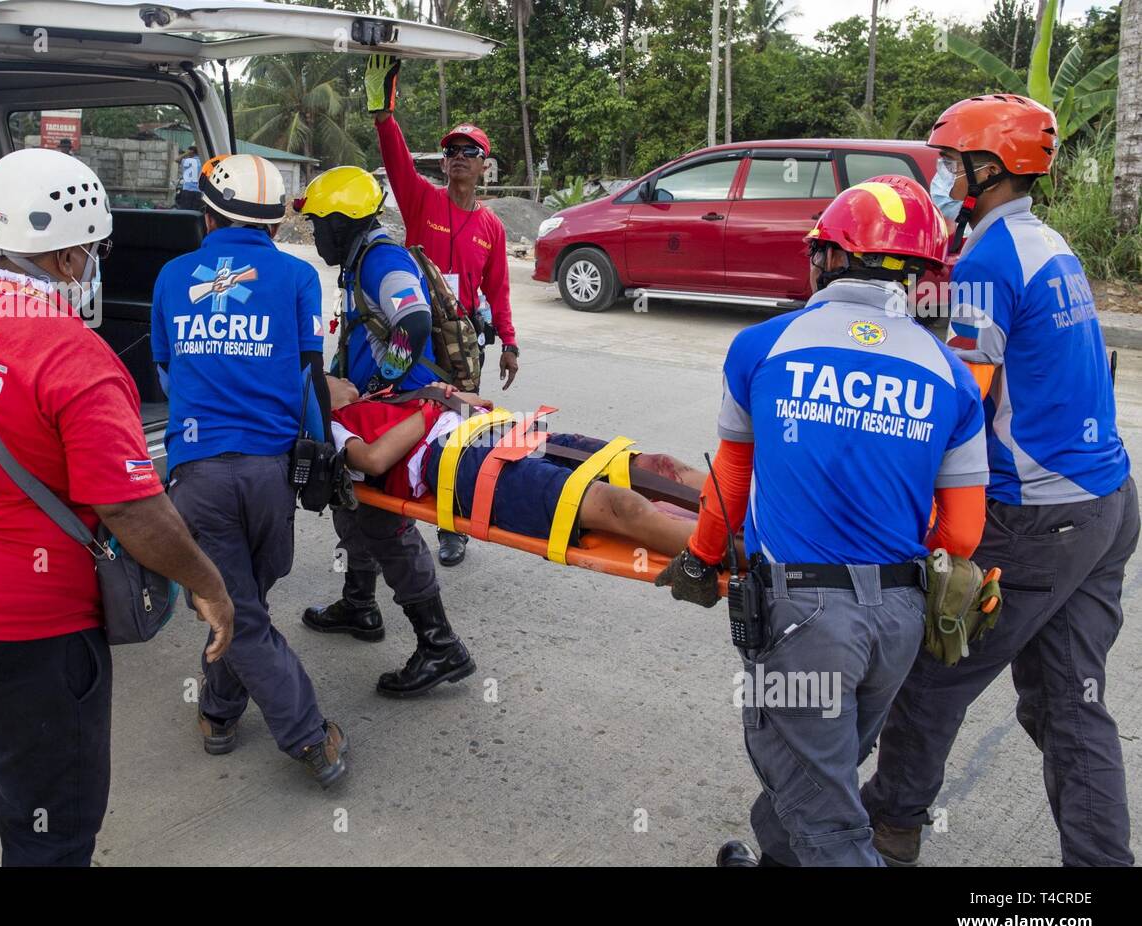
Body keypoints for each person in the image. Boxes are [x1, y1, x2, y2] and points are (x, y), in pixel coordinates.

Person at [0, 147, 234, 866]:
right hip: (17, 638)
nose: (93, 266)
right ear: (65, 260)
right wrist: (209, 585)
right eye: (91, 252)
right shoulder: (75, 356)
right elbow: (130, 509)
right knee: (50, 831)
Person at [658, 175, 990, 867]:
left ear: (831, 259)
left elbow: (732, 483)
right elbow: (961, 535)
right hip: (898, 622)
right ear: (923, 275)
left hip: (804, 622)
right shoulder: (952, 375)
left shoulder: (762, 348)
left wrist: (700, 558)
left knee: (827, 815)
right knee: (818, 765)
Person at [863, 95, 1138, 868]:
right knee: (1069, 703)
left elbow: (968, 390)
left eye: (952, 163)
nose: (943, 176)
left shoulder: (986, 259)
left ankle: (887, 831)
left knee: (935, 675)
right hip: (1107, 505)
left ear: (988, 169)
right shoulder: (1049, 243)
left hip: (1038, 517)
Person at [151, 153, 348, 787]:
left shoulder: (171, 275)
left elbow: (165, 369)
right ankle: (306, 734)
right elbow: (308, 380)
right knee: (240, 603)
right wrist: (326, 459)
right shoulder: (297, 279)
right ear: (272, 221)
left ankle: (221, 712)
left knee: (236, 604)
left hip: (198, 473)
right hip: (272, 476)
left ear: (208, 214)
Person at [317, 376, 703, 694]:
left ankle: (752, 506)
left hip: (504, 433)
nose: (341, 375)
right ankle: (728, 547)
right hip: (464, 461)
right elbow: (373, 459)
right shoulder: (336, 423)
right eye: (331, 376)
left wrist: (441, 398)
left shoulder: (388, 395)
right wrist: (435, 404)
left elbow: (477, 401)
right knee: (619, 506)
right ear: (320, 394)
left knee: (659, 468)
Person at [297, 166, 476, 697]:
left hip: (399, 413)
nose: (313, 234)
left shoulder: (381, 259)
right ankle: (359, 604)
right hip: (381, 408)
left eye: (317, 224)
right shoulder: (361, 261)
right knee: (353, 505)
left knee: (385, 527)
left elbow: (414, 320)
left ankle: (440, 644)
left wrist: (377, 385)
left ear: (340, 221)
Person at [367, 53, 520, 567]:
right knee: (408, 419)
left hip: (464, 344)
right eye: (452, 150)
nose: (459, 157)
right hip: (416, 335)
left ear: (483, 165)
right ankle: (399, 511)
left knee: (460, 432)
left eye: (469, 151)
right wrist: (383, 116)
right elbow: (395, 160)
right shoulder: (420, 201)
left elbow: (498, 288)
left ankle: (454, 527)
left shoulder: (492, 228)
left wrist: (510, 342)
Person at [176, 144, 203, 211]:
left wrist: (186, 153)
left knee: (185, 212)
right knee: (195, 212)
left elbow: (176, 159)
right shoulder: (203, 161)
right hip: (198, 192)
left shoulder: (186, 161)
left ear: (191, 152)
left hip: (187, 191)